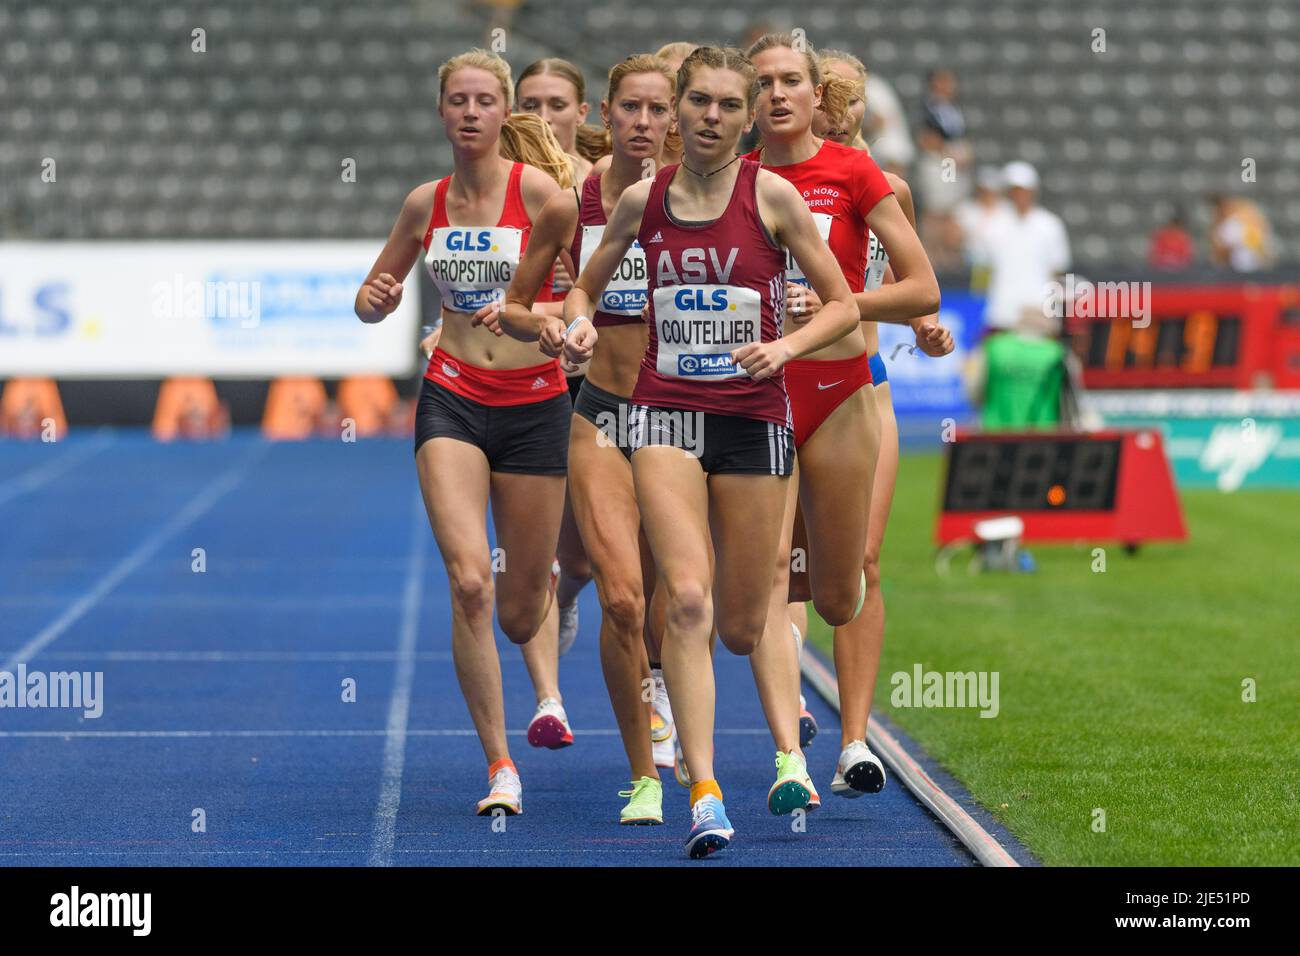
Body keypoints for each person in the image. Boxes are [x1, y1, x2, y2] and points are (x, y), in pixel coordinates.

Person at [564, 45, 861, 858]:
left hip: (755, 418)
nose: (712, 118)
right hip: (666, 413)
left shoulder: (771, 198)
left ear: (748, 116)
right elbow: (586, 283)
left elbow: (841, 304)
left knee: (743, 615)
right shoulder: (643, 199)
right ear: (681, 106)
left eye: (731, 106)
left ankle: (784, 753)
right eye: (700, 102)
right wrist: (581, 319)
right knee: (685, 600)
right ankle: (703, 791)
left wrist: (789, 347)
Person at [355, 49, 575, 817]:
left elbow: (582, 294)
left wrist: (552, 326)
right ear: (442, 111)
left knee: (519, 607)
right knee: (469, 581)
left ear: (505, 110)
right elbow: (369, 300)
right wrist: (377, 297)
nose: (471, 112)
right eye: (458, 100)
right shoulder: (427, 203)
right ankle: (500, 764)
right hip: (451, 394)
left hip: (535, 401)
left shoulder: (540, 193)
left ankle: (542, 603)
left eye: (485, 100)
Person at [746, 38, 947, 805]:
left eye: (794, 82)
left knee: (846, 579)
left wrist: (844, 309)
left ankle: (857, 737)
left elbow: (917, 284)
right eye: (763, 84)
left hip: (849, 386)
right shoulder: (731, 181)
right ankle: (790, 751)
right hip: (760, 397)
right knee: (768, 573)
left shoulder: (864, 176)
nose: (779, 95)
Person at [482, 53, 677, 825]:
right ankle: (575, 629)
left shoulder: (687, 191)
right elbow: (528, 288)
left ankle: (663, 688)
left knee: (673, 585)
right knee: (593, 565)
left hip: (671, 401)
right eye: (631, 109)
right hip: (572, 389)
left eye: (658, 109)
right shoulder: (574, 198)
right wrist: (550, 320)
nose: (644, 124)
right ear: (610, 112)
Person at [978, 161, 1071, 333]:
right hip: (1002, 311)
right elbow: (982, 269)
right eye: (1015, 190)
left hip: (1037, 312)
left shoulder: (1050, 225)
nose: (1020, 195)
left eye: (1024, 190)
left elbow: (1057, 271)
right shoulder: (992, 225)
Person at [1210, 194, 1275, 272]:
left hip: (1253, 266)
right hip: (1234, 268)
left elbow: (1261, 244)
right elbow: (1220, 253)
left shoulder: (1240, 223)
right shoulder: (1225, 227)